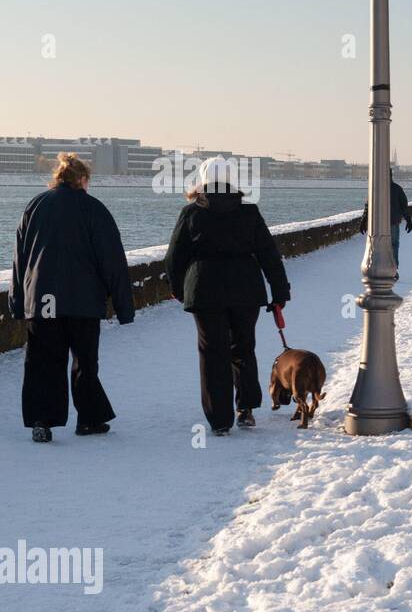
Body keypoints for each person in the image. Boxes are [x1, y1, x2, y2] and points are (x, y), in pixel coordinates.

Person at [10, 153, 134, 443]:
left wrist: (18, 302)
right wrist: (124, 307)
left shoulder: (36, 205)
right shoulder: (94, 209)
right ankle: (89, 419)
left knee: (43, 360)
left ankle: (42, 420)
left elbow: (21, 257)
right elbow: (112, 260)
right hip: (83, 300)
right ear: (82, 179)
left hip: (43, 298)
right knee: (85, 361)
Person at [165, 158, 290, 435]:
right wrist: (280, 291)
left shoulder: (191, 213)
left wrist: (177, 288)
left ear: (203, 181)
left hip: (204, 289)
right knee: (243, 347)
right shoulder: (249, 213)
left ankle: (219, 420)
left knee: (212, 352)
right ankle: (245, 409)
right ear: (232, 181)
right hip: (246, 288)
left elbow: (174, 257)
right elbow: (269, 254)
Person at [359, 172, 412, 267]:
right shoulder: (397, 189)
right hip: (393, 222)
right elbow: (404, 206)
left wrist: (363, 220)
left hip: (378, 222)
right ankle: (394, 267)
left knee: (376, 245)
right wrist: (408, 220)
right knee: (394, 245)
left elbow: (368, 206)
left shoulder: (375, 188)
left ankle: (378, 266)